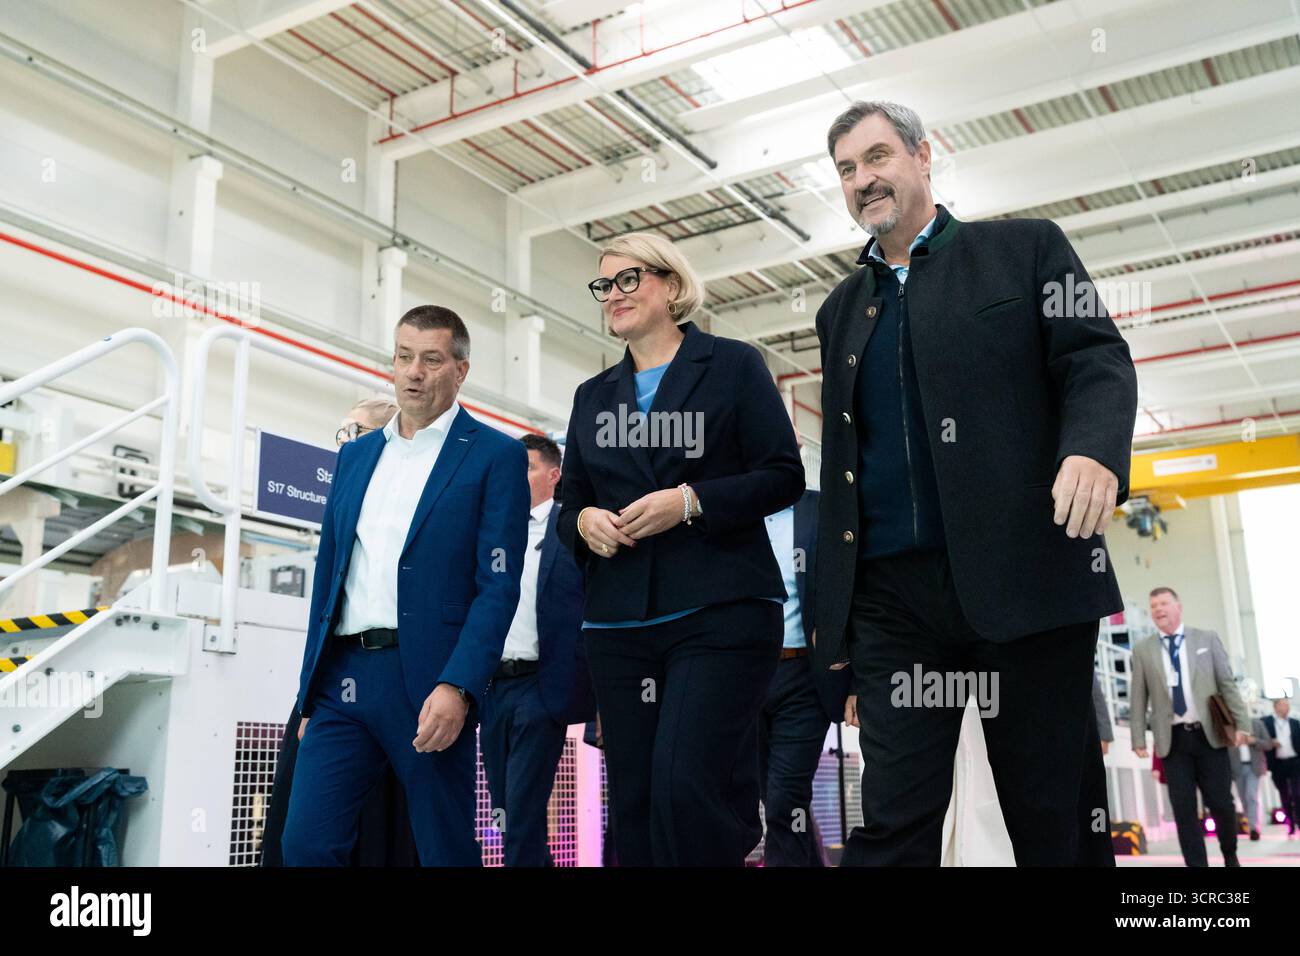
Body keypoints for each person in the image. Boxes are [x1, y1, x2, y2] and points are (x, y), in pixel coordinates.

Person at [811, 100, 1137, 866]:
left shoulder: (1024, 251)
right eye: (847, 170)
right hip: (893, 602)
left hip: (1022, 577)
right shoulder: (840, 310)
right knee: (892, 818)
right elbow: (843, 467)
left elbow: (1096, 358)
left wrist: (1092, 450)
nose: (864, 179)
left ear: (925, 156)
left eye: (878, 156)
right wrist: (840, 627)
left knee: (1052, 810)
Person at [556, 231, 804, 866]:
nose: (613, 294)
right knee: (635, 798)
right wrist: (584, 521)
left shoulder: (734, 366)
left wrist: (690, 501)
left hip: (720, 609)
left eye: (628, 279)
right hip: (618, 621)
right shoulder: (592, 396)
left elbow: (782, 475)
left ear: (671, 284)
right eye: (604, 285)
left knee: (684, 786)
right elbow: (570, 502)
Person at [282, 305, 530, 866]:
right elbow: (329, 579)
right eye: (403, 356)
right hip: (343, 679)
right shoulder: (356, 456)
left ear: (460, 370)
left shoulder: (495, 456)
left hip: (428, 680)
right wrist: (307, 696)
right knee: (307, 843)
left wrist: (460, 686)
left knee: (442, 847)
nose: (414, 371)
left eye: (432, 359)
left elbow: (497, 587)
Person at [260, 397, 411, 867]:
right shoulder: (343, 509)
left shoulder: (410, 509)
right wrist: (311, 697)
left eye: (356, 432)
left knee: (385, 825)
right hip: (332, 685)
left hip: (397, 682)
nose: (344, 444)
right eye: (341, 434)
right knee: (301, 830)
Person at [480, 433, 595, 866]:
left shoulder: (571, 530)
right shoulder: (492, 529)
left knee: (523, 810)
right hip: (492, 688)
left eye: (526, 467)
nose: (516, 475)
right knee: (503, 809)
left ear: (553, 475)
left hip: (540, 687)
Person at [757, 489, 851, 866]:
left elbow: (849, 589)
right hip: (743, 678)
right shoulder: (733, 514)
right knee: (769, 795)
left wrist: (853, 678)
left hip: (803, 676)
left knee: (785, 797)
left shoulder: (822, 509)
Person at [1129, 587, 1250, 866]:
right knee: (1183, 810)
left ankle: (1230, 855)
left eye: (1164, 603)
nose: (1158, 609)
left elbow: (1227, 685)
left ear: (1178, 607)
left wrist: (1242, 724)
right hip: (1173, 741)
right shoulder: (1143, 650)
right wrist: (1137, 737)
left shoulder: (1206, 639)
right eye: (1154, 605)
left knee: (1220, 803)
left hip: (1210, 736)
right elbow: (1138, 697)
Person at [1262, 697, 1300, 836]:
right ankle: (1290, 822)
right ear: (1276, 707)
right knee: (1285, 796)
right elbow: (1260, 739)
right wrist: (1270, 742)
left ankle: (1299, 821)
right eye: (1283, 705)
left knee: (1297, 794)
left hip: (1295, 762)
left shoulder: (1295, 723)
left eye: (1287, 705)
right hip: (1277, 763)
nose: (1286, 708)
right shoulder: (1266, 722)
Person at [1234, 706, 1270, 841]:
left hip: (1254, 767)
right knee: (1243, 798)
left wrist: (1253, 741)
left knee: (1251, 796)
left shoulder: (1257, 724)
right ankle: (1250, 824)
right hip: (1237, 768)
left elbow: (1268, 743)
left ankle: (1254, 828)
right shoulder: (1231, 727)